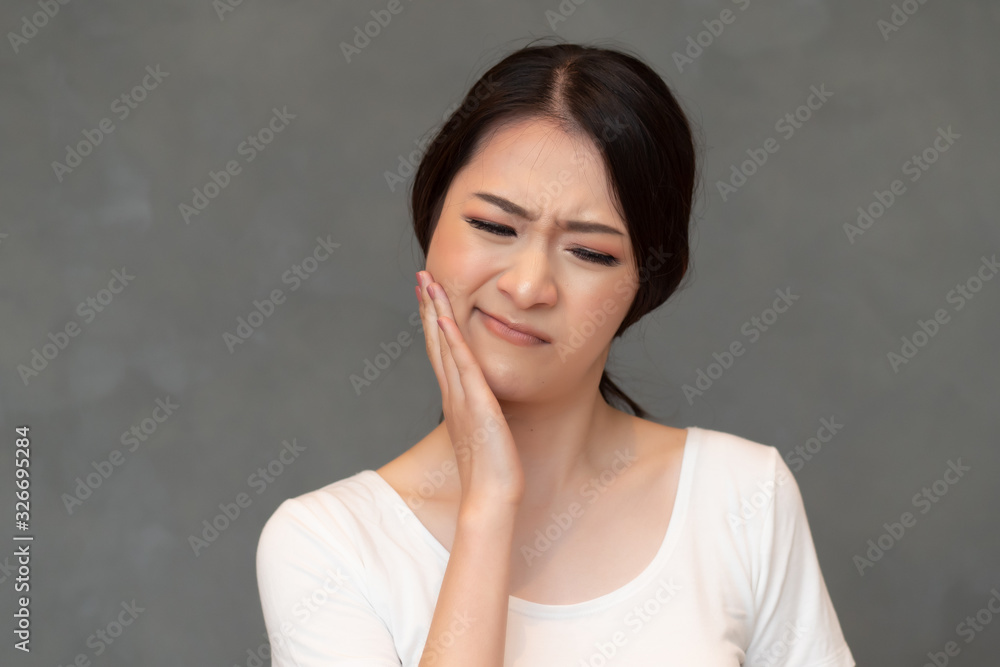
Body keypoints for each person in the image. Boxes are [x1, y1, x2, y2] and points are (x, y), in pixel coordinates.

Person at [256, 39, 856, 666]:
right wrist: (488, 507)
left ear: (644, 285)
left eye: (591, 253)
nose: (527, 286)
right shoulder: (325, 546)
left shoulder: (743, 496)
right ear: (431, 221)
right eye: (493, 226)